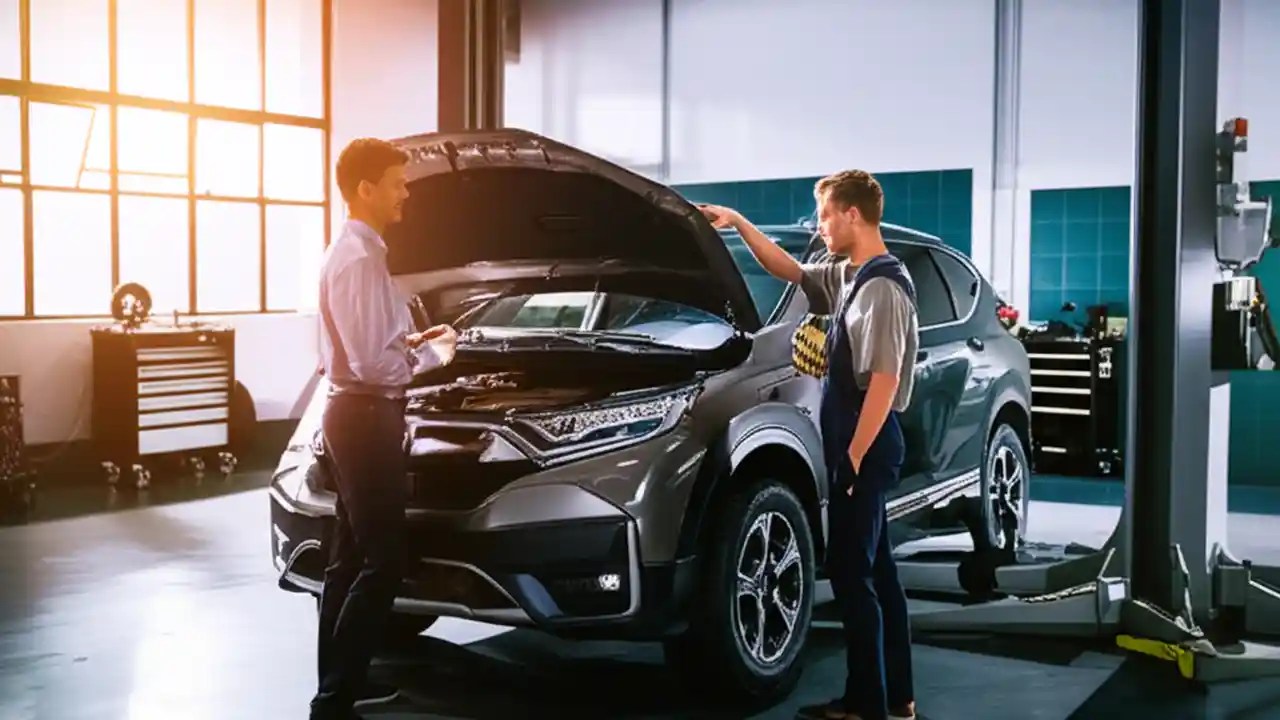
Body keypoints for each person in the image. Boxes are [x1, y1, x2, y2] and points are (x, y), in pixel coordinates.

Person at [697, 170, 919, 720]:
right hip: (856, 442)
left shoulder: (883, 288)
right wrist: (738, 222)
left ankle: (867, 704)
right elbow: (790, 270)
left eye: (825, 216)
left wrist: (853, 460)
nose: (820, 227)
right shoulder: (849, 276)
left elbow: (884, 383)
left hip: (866, 444)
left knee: (851, 576)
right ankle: (898, 699)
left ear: (852, 214)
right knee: (879, 575)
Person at [310, 137, 456, 719]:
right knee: (383, 562)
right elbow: (373, 365)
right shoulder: (359, 259)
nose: (406, 193)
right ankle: (333, 702)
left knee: (347, 562)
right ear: (366, 189)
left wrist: (410, 340)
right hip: (365, 417)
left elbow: (368, 342)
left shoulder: (356, 252)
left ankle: (340, 688)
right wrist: (435, 355)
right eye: (397, 183)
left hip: (355, 413)